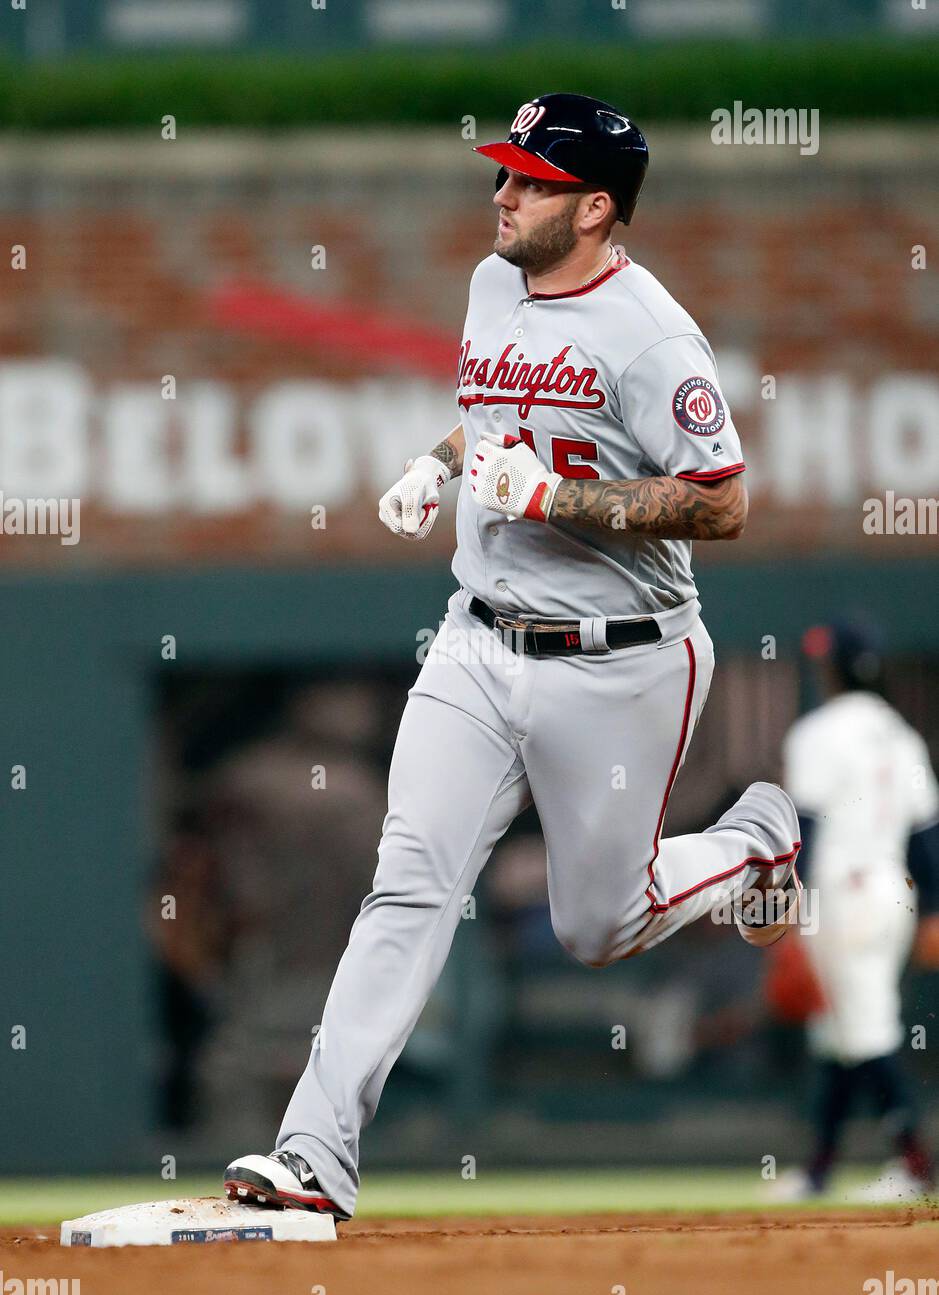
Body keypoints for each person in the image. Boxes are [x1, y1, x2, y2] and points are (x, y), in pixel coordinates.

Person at [224, 93, 801, 1221]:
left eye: (530, 181)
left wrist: (553, 496)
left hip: (622, 657)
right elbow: (492, 412)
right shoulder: (496, 282)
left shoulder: (652, 336)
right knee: (409, 881)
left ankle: (754, 837)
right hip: (478, 639)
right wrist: (438, 462)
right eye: (503, 174)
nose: (502, 193)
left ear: (594, 208)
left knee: (602, 927)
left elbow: (723, 506)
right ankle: (313, 1155)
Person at [777, 619, 939, 1201]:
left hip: (843, 899)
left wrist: (788, 919)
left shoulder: (818, 733)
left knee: (866, 1031)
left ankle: (917, 1166)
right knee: (838, 1034)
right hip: (895, 895)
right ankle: (818, 1171)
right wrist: (933, 913)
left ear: (834, 670)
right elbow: (926, 838)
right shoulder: (903, 736)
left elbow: (807, 832)